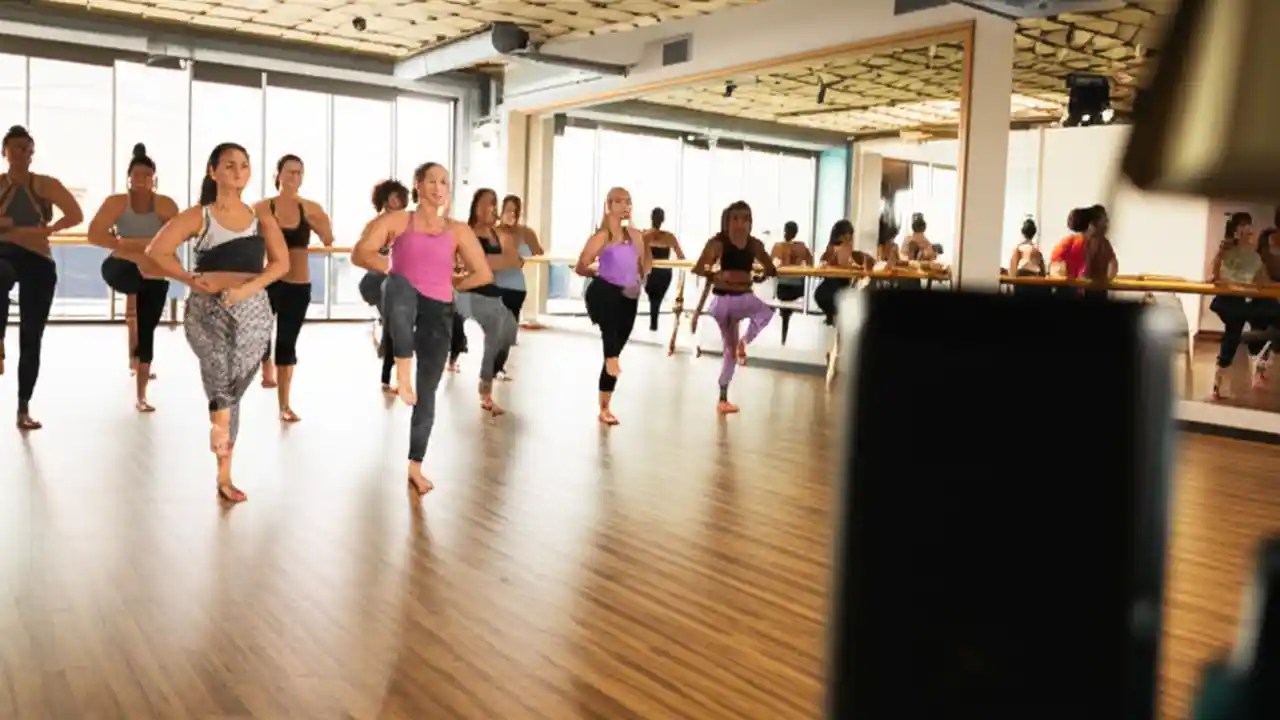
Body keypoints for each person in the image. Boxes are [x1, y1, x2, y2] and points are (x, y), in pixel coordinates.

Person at [145, 142, 289, 504]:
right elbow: (157, 251)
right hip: (208, 310)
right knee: (218, 374)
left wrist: (246, 291)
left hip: (253, 309)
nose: (238, 172)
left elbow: (280, 264)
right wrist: (192, 280)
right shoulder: (200, 215)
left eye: (243, 165)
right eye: (229, 165)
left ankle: (223, 458)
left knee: (233, 390)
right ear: (213, 171)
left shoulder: (261, 215)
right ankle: (222, 461)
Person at [352, 161, 493, 495]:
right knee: (398, 286)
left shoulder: (458, 230)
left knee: (427, 395)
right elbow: (361, 253)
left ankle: (415, 466)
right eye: (431, 180)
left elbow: (483, 274)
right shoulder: (399, 221)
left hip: (439, 310)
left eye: (444, 182)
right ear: (418, 185)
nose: (438, 187)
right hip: (402, 298)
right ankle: (401, 371)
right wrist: (391, 266)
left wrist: (454, 283)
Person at [0, 124, 83, 430]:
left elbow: (75, 214)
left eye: (26, 148)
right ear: (4, 151)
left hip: (37, 258)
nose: (21, 153)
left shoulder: (44, 185)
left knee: (31, 335)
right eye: (15, 147)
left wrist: (49, 229)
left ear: (32, 154)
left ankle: (23, 408)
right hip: (4, 255)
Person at [88, 143, 180, 412]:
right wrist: (141, 247)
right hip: (121, 267)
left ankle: (141, 394)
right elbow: (95, 234)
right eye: (136, 176)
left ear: (154, 179)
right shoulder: (117, 202)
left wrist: (132, 243)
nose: (140, 181)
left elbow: (176, 236)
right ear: (129, 178)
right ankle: (136, 364)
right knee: (137, 292)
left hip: (154, 272)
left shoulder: (165, 204)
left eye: (146, 176)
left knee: (146, 329)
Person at [257, 154, 335, 422]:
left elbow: (328, 239)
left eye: (299, 173)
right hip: (269, 281)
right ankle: (265, 367)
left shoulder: (310, 208)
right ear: (278, 175)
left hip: (298, 285)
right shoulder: (263, 207)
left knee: (287, 343)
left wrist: (319, 223)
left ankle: (284, 405)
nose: (294, 177)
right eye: (289, 172)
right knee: (260, 334)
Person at [690, 201, 778, 414]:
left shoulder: (752, 244)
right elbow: (702, 269)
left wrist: (717, 274)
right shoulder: (719, 243)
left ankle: (723, 398)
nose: (741, 224)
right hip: (733, 300)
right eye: (736, 219)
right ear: (727, 221)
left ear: (751, 222)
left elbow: (769, 270)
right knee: (765, 313)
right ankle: (743, 343)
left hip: (724, 302)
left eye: (746, 219)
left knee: (729, 352)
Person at [575, 186, 649, 426]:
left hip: (628, 297)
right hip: (603, 292)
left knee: (616, 349)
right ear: (609, 205)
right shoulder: (601, 237)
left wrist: (639, 275)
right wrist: (597, 271)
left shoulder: (636, 235)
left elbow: (644, 266)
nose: (626, 205)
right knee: (610, 335)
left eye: (629, 201)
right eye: (619, 201)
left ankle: (605, 407)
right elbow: (581, 266)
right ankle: (611, 355)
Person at [1207, 212, 1278, 399]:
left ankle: (1262, 361)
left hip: (1247, 300)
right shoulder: (1226, 250)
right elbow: (1214, 274)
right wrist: (1220, 257)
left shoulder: (1254, 256)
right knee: (1233, 330)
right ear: (1235, 230)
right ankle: (1220, 379)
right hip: (1230, 300)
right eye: (1243, 226)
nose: (1248, 230)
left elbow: (1264, 280)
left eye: (1249, 226)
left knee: (1274, 316)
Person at [461, 188, 520, 413]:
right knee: (493, 337)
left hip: (493, 292)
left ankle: (492, 373)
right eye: (486, 204)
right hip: (472, 293)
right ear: (476, 207)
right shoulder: (467, 233)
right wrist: (494, 261)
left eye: (494, 204)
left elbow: (512, 259)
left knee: (510, 333)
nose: (491, 208)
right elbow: (478, 263)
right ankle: (485, 391)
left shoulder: (497, 234)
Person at [357, 179, 409, 395]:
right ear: (384, 199)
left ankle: (388, 377)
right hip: (377, 282)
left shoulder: (407, 222)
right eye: (392, 197)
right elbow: (362, 252)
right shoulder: (377, 224)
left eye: (400, 197)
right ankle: (390, 377)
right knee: (394, 326)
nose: (396, 201)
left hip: (398, 282)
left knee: (394, 326)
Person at [495, 193, 545, 330]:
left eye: (515, 211)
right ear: (501, 211)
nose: (512, 214)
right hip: (495, 285)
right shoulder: (493, 232)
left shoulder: (526, 232)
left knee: (509, 328)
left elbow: (539, 253)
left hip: (516, 286)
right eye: (508, 210)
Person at [813, 219, 874, 326]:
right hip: (830, 292)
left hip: (844, 291)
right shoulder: (830, 252)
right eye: (845, 238)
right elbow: (822, 268)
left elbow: (870, 263)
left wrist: (860, 265)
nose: (848, 242)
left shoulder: (856, 255)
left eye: (850, 239)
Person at [641, 207, 685, 332]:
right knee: (656, 299)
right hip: (663, 273)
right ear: (663, 219)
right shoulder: (669, 237)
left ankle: (653, 324)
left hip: (653, 272)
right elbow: (681, 256)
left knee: (654, 299)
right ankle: (653, 324)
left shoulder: (645, 235)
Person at [770, 220, 813, 344]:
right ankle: (785, 331)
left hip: (783, 289)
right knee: (786, 309)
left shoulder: (778, 247)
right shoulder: (802, 247)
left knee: (784, 306)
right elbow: (810, 264)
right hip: (798, 289)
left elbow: (771, 265)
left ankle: (784, 331)